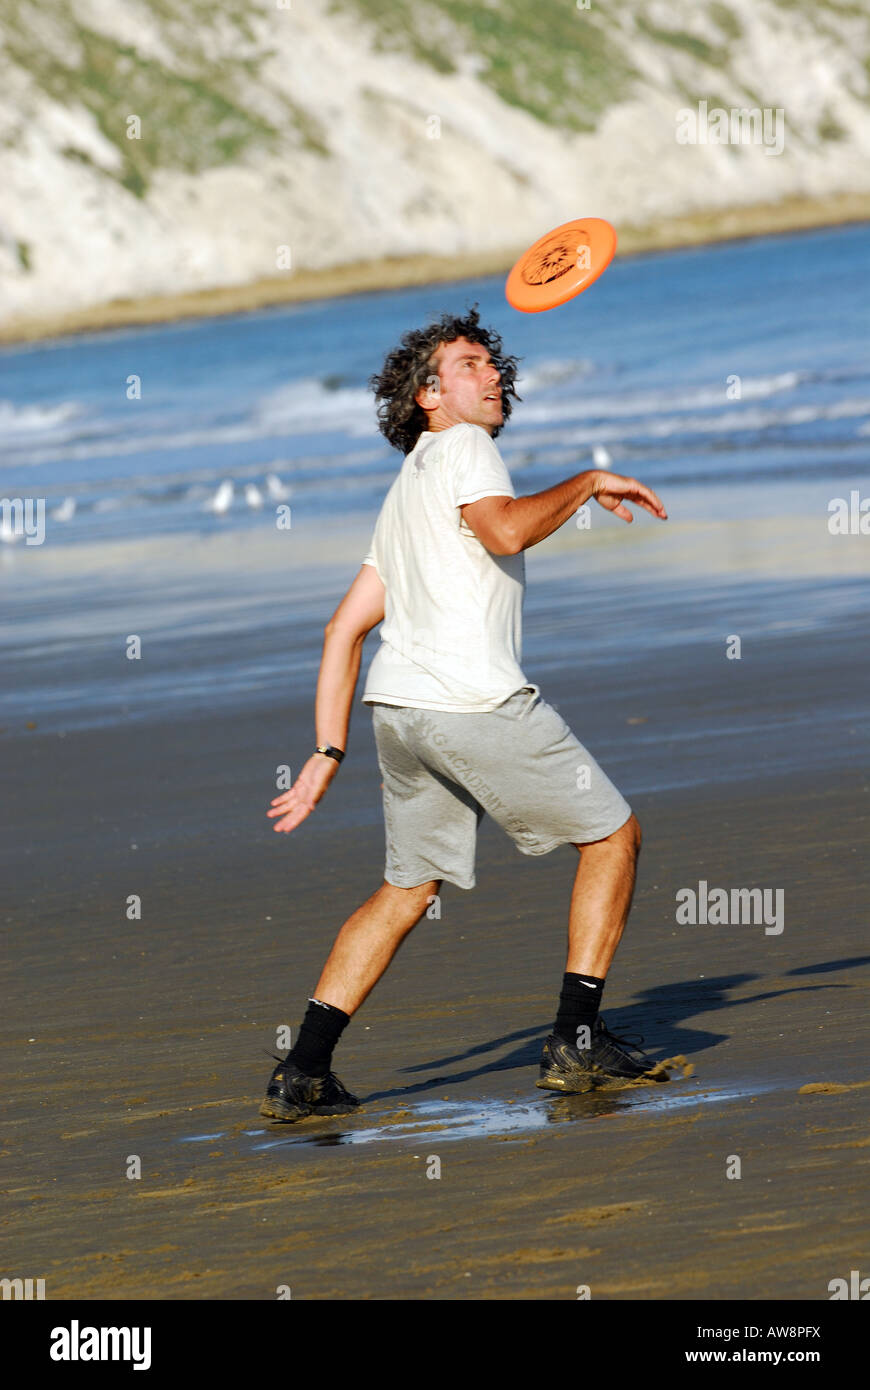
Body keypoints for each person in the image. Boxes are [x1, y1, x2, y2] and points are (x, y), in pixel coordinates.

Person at [261, 305, 668, 1123]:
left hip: (399, 714)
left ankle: (303, 1071)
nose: (491, 374)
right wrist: (589, 481)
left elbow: (344, 629)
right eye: (469, 362)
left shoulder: (406, 487)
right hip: (470, 701)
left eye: (493, 364)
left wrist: (326, 751)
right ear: (428, 395)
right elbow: (507, 532)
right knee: (612, 835)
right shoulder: (466, 450)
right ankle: (576, 1039)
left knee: (407, 889)